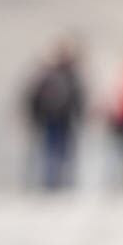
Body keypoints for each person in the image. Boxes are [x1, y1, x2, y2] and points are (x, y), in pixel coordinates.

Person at [26, 40, 85, 190]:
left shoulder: (61, 74)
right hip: (53, 118)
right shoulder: (64, 74)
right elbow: (33, 98)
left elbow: (77, 97)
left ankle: (56, 182)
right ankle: (53, 182)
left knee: (57, 150)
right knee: (54, 150)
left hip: (61, 118)